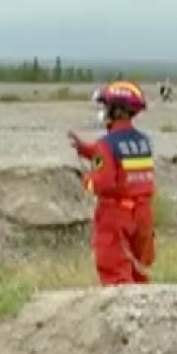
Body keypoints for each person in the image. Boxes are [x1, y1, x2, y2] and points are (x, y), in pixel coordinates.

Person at [67, 80, 157, 286]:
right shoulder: (143, 141)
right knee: (138, 272)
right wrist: (84, 149)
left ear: (116, 110)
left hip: (116, 216)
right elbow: (118, 157)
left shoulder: (107, 145)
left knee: (115, 272)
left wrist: (85, 181)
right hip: (143, 214)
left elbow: (103, 183)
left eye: (106, 107)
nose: (104, 112)